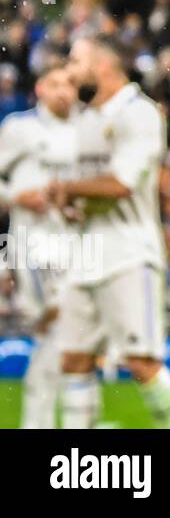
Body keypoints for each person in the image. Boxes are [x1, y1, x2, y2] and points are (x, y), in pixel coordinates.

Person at [50, 34, 170, 428]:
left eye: (76, 62)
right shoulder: (84, 119)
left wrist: (68, 189)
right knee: (74, 358)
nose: (69, 72)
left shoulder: (139, 113)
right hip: (85, 256)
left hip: (130, 255)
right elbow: (87, 190)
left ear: (104, 66)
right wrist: (70, 203)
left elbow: (120, 184)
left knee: (141, 361)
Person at [0, 59, 79, 428]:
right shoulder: (20, 129)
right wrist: (18, 196)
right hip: (31, 245)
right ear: (41, 89)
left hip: (75, 248)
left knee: (63, 337)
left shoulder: (85, 133)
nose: (66, 91)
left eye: (71, 84)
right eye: (57, 84)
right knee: (62, 319)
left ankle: (42, 422)